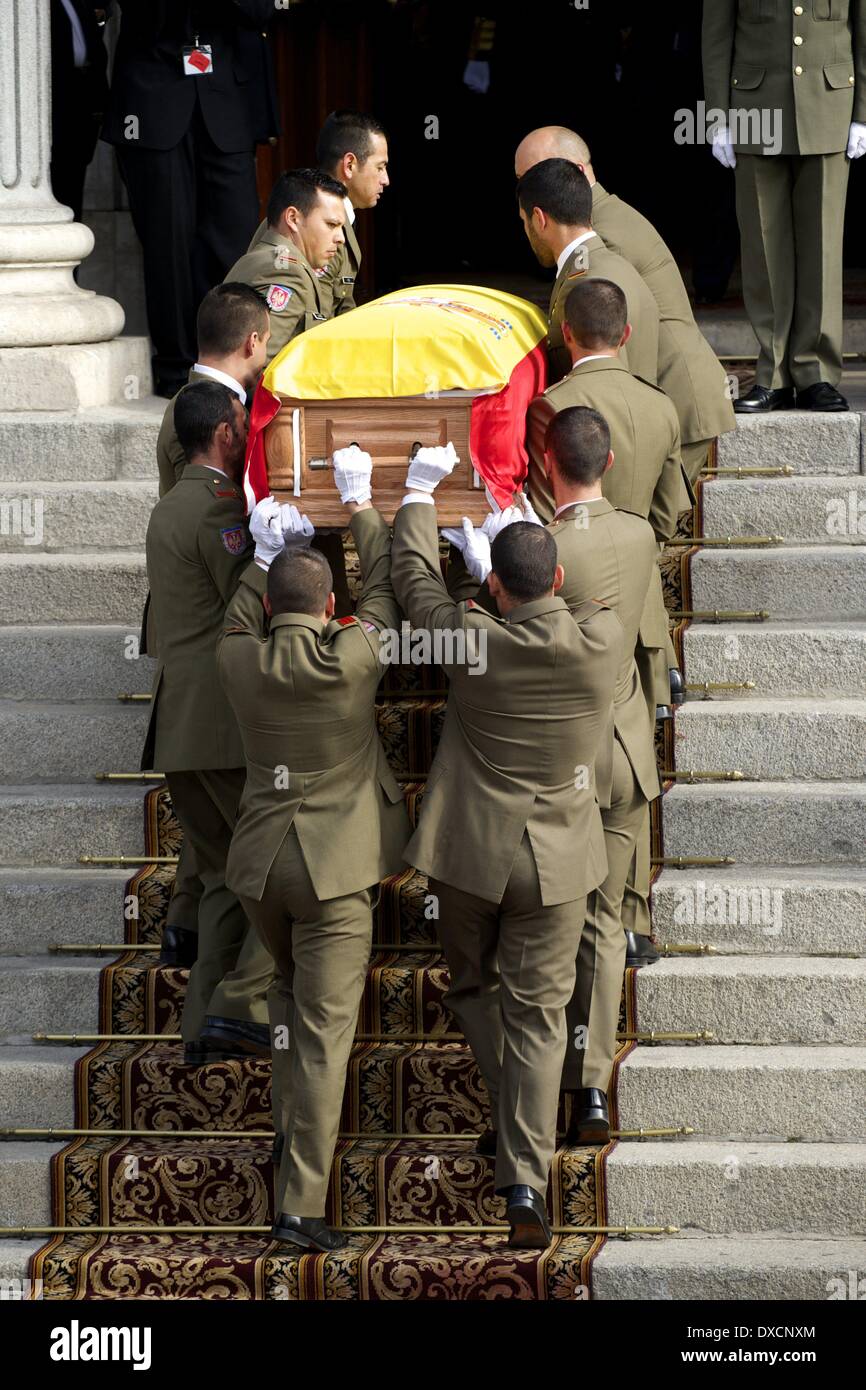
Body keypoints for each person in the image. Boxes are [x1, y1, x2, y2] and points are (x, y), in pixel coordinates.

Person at [391, 445, 621, 1248]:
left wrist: (419, 495)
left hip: (468, 854)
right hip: (558, 861)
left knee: (473, 991)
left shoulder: (471, 641)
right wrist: (517, 539)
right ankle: (524, 1178)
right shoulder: (601, 643)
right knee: (539, 1017)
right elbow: (582, 593)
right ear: (557, 581)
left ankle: (514, 1127)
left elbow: (417, 597)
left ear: (493, 586)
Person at [218, 446, 409, 1254]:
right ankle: (298, 1201)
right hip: (333, 874)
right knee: (323, 1034)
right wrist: (364, 506)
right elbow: (389, 605)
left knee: (296, 1014)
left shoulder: (239, 659)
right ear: (330, 605)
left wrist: (260, 555)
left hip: (262, 871)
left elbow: (232, 619)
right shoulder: (350, 660)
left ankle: (289, 1141)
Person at [142, 381, 279, 1060]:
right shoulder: (219, 506)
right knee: (277, 869)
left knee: (224, 877)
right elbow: (238, 607)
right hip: (226, 723)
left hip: (179, 724)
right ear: (227, 435)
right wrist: (268, 558)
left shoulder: (167, 506)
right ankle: (242, 1000)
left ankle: (202, 1028)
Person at [514, 125, 736, 482]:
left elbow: (614, 353)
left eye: (533, 175)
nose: (525, 191)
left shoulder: (599, 237)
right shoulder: (599, 219)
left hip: (674, 394)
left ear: (577, 170)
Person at [101, 0, 278, 397]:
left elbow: (262, 10)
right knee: (167, 240)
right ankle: (178, 371)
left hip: (227, 97)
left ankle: (235, 367)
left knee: (234, 238)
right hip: (153, 90)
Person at [703, 1, 866, 414]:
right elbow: (717, 35)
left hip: (829, 102)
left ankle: (816, 374)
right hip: (756, 105)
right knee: (763, 244)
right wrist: (718, 117)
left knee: (823, 248)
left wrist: (862, 114)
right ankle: (772, 374)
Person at [516, 157, 660, 387]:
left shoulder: (585, 283)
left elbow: (603, 387)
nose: (526, 231)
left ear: (539, 219)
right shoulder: (616, 264)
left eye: (524, 221)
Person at [247, 110, 390, 316]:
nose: (385, 179)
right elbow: (315, 322)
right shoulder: (315, 226)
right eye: (380, 167)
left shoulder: (327, 214)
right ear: (349, 165)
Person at [156, 282, 271, 497]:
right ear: (252, 343)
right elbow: (201, 508)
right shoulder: (201, 411)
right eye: (267, 342)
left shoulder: (198, 401)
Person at [224, 168, 347, 364]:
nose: (340, 238)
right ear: (293, 218)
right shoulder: (286, 272)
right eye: (331, 224)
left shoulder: (266, 257)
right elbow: (258, 370)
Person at [50, 1, 110, 225]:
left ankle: (72, 257)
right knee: (57, 185)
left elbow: (96, 48)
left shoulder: (80, 2)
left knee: (73, 186)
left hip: (81, 102)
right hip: (54, 103)